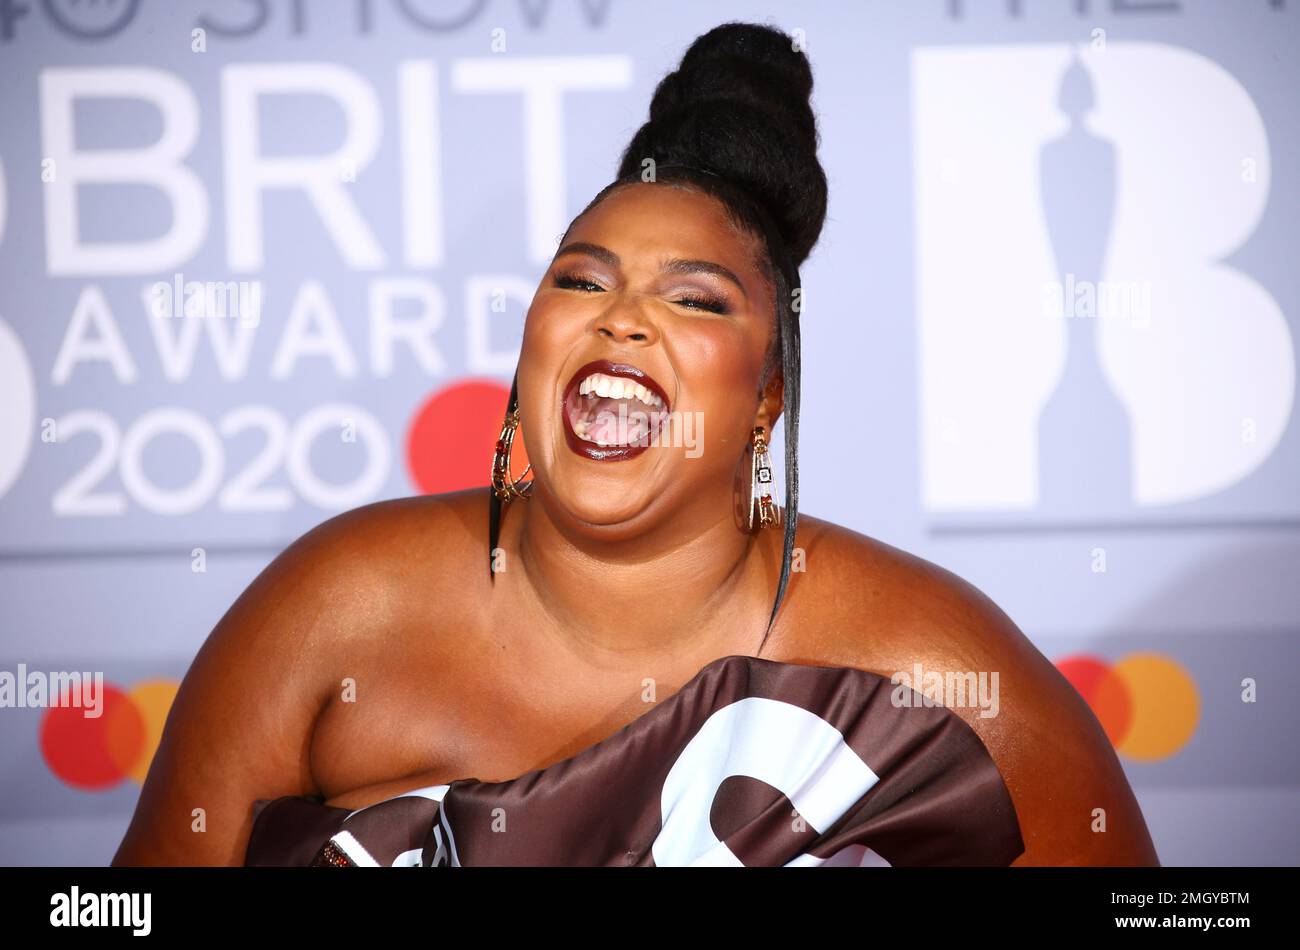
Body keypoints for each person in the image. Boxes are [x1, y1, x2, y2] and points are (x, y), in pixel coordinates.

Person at [112, 21, 1157, 867]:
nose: (619, 317)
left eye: (693, 299)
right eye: (580, 278)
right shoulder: (333, 605)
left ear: (767, 396)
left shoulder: (929, 673)